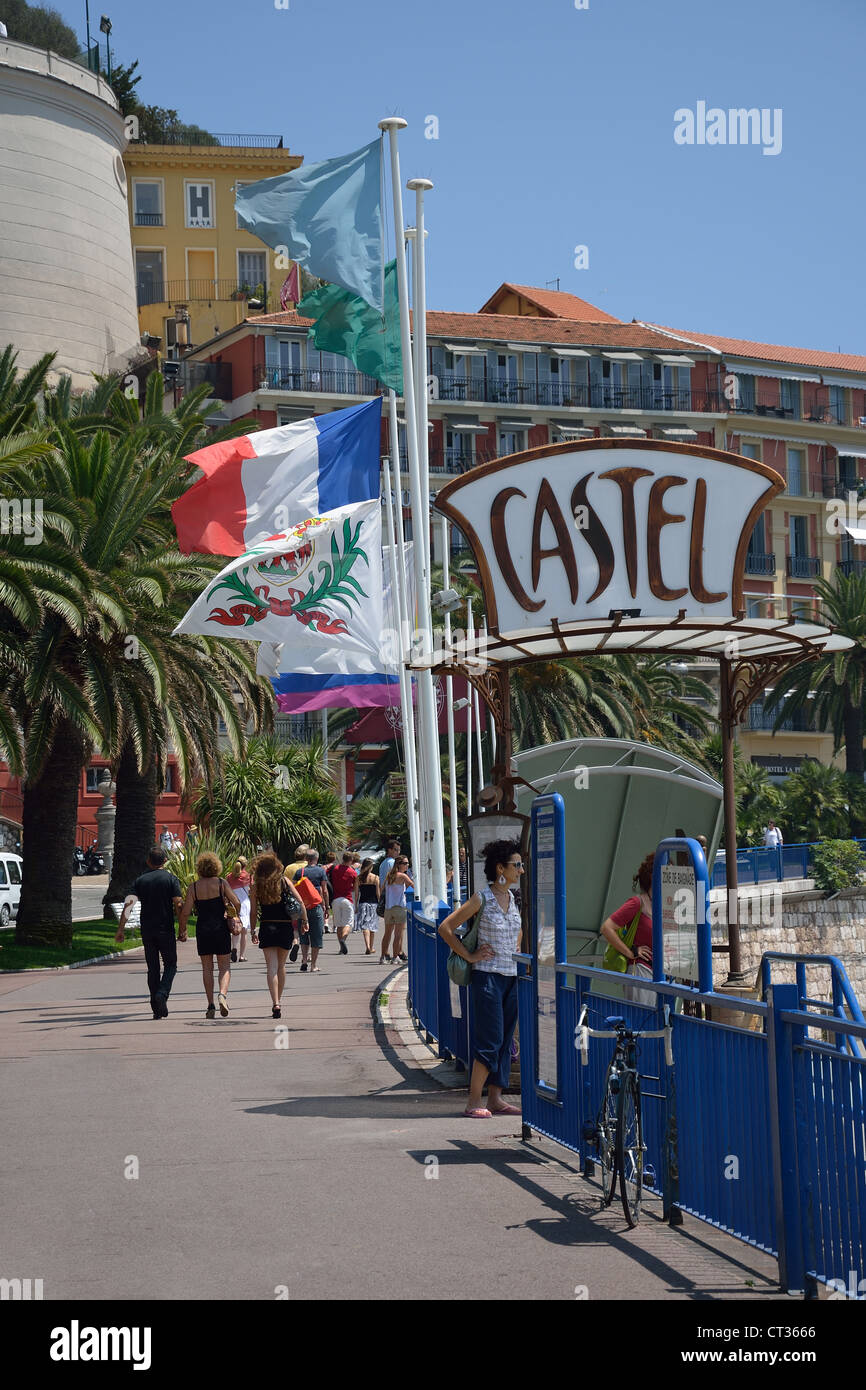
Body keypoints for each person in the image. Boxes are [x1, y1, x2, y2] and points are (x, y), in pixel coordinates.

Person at [438, 839, 524, 1118]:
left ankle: (495, 1098)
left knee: (505, 1038)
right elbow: (446, 927)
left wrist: (517, 946)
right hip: (487, 978)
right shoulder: (481, 898)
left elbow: (518, 931)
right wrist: (470, 956)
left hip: (511, 976)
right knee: (490, 1038)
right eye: (517, 865)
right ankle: (474, 1100)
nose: (521, 870)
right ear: (501, 868)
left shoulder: (514, 899)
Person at [115, 846, 183, 1018]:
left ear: (148, 861)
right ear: (165, 861)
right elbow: (178, 904)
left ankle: (156, 1008)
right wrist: (182, 927)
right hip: (165, 929)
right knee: (171, 965)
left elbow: (129, 904)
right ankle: (162, 994)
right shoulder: (171, 879)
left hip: (147, 930)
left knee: (152, 968)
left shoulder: (140, 880)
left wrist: (121, 929)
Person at [179, 853, 241, 1019]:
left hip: (203, 929)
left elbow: (185, 912)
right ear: (216, 867)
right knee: (225, 966)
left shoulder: (193, 887)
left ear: (199, 868)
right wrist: (234, 916)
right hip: (220, 928)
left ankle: (210, 1004)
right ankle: (222, 994)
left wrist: (182, 929)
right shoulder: (221, 883)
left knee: (207, 968)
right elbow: (237, 902)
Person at [249, 853, 308, 1016]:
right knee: (281, 966)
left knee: (271, 967)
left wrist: (253, 929)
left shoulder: (256, 886)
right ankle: (279, 1001)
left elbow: (253, 912)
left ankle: (275, 1002)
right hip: (284, 927)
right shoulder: (284, 881)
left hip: (267, 926)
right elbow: (300, 901)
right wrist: (305, 920)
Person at [600, 852, 655, 1006]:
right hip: (641, 970)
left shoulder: (667, 906)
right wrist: (631, 952)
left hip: (661, 974)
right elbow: (606, 928)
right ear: (653, 876)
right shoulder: (638, 903)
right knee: (641, 1023)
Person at [293, 849, 328, 972]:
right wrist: (326, 906)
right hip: (316, 906)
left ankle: (303, 960)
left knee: (304, 934)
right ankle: (313, 965)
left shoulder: (299, 872)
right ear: (316, 858)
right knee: (317, 935)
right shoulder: (321, 871)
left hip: (302, 907)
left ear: (306, 859)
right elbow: (324, 891)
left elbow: (293, 890)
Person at [381, 856, 412, 965]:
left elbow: (382, 889)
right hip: (399, 907)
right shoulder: (403, 876)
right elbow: (413, 886)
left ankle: (383, 956)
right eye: (405, 863)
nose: (407, 865)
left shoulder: (389, 876)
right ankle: (395, 957)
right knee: (398, 934)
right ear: (399, 864)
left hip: (388, 908)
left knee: (387, 934)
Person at [283, 843, 310, 961]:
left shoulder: (289, 867)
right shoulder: (309, 866)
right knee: (307, 925)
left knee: (295, 925)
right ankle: (307, 954)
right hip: (308, 899)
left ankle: (295, 942)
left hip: (293, 899)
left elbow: (284, 883)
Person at [330, 852, 358, 955]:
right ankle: (343, 939)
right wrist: (356, 902)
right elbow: (355, 889)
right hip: (347, 899)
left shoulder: (336, 869)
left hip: (336, 899)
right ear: (351, 860)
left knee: (339, 924)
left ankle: (341, 947)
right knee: (348, 924)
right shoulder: (353, 872)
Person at [354, 858, 380, 955]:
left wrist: (356, 905)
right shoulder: (375, 878)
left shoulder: (358, 878)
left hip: (362, 903)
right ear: (371, 867)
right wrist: (381, 904)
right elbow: (378, 893)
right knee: (372, 926)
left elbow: (356, 894)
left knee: (365, 926)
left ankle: (368, 946)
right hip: (373, 904)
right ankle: (371, 947)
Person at [227, 857, 251, 961]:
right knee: (244, 930)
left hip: (233, 904)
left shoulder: (229, 876)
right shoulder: (247, 876)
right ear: (245, 865)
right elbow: (251, 889)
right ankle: (241, 955)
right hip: (244, 904)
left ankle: (234, 948)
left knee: (235, 928)